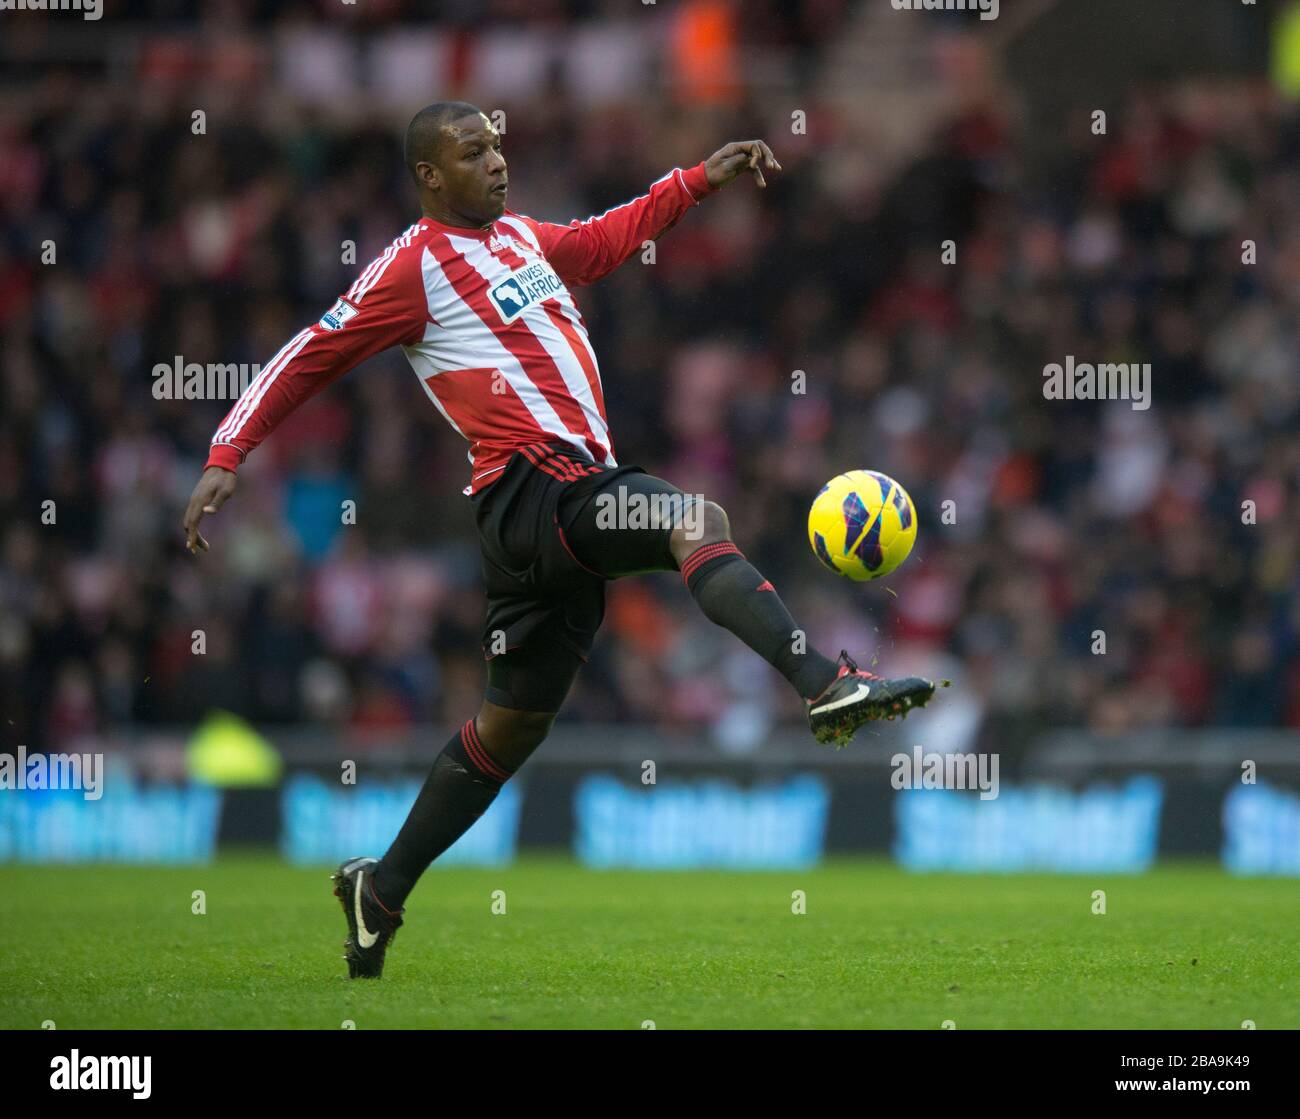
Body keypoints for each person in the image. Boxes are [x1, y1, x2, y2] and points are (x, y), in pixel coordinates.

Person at [181, 102, 937, 979]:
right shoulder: (413, 265)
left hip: (545, 520)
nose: (496, 162)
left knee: (511, 728)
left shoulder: (523, 241)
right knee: (695, 520)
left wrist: (695, 180)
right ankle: (824, 682)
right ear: (430, 175)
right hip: (538, 488)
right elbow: (314, 348)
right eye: (472, 152)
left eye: (497, 145)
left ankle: (379, 890)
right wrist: (228, 450)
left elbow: (605, 240)